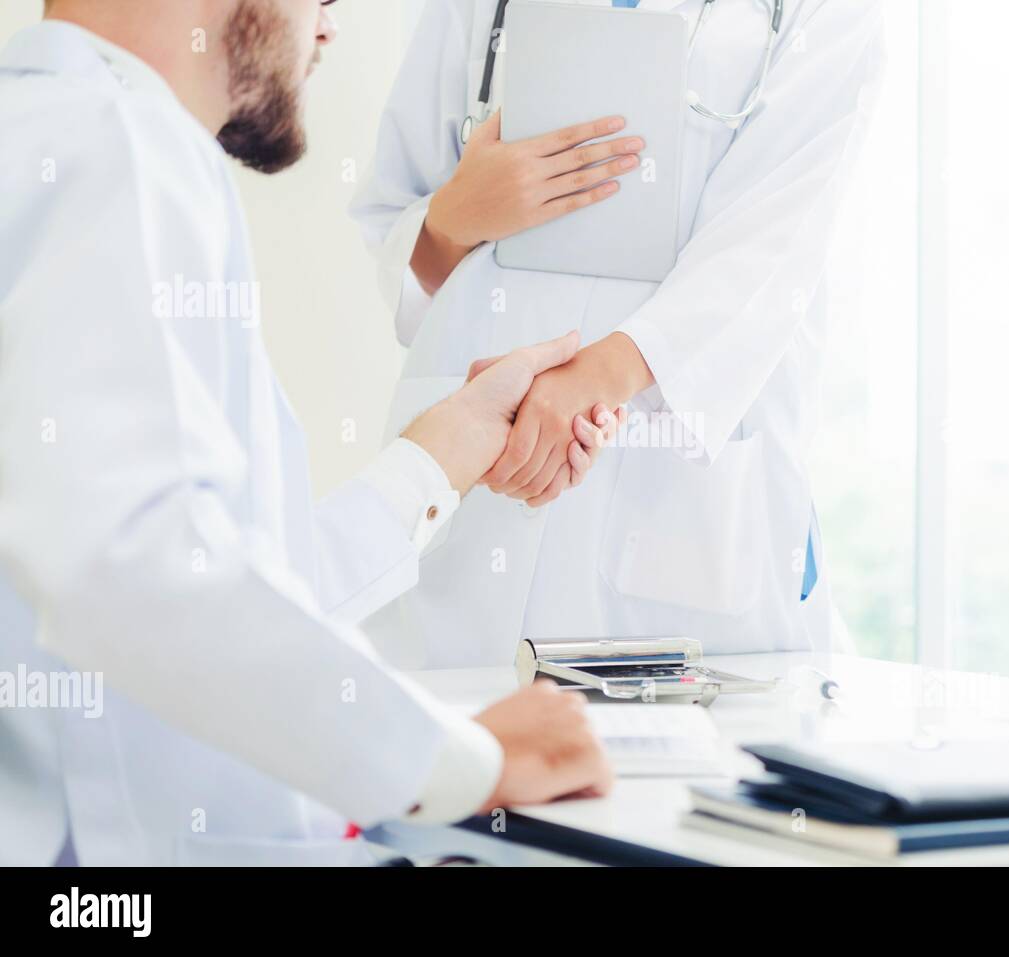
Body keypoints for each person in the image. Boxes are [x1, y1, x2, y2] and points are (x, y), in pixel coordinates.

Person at [0, 0, 618, 867]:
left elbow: (217, 579)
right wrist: (465, 760)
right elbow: (132, 567)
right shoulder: (123, 143)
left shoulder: (44, 133)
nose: (329, 28)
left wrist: (437, 460)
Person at [351, 0, 885, 669]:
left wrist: (598, 377)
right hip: (484, 463)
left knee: (684, 756)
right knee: (457, 749)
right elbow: (399, 234)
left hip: (670, 469)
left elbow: (773, 245)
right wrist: (459, 214)